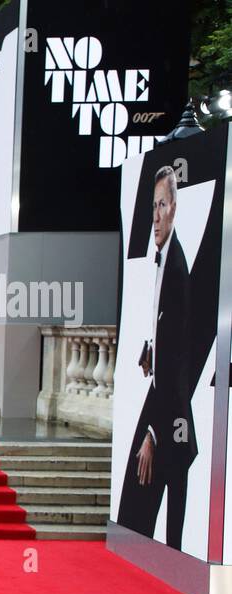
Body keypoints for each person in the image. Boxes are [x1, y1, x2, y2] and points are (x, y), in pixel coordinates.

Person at [116, 165, 197, 547]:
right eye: (152, 207)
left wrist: (153, 433)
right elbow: (167, 337)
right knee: (157, 517)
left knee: (169, 521)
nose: (154, 217)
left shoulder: (178, 269)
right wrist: (152, 350)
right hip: (165, 401)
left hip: (172, 412)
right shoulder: (163, 258)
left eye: (161, 205)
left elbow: (180, 361)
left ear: (175, 208)